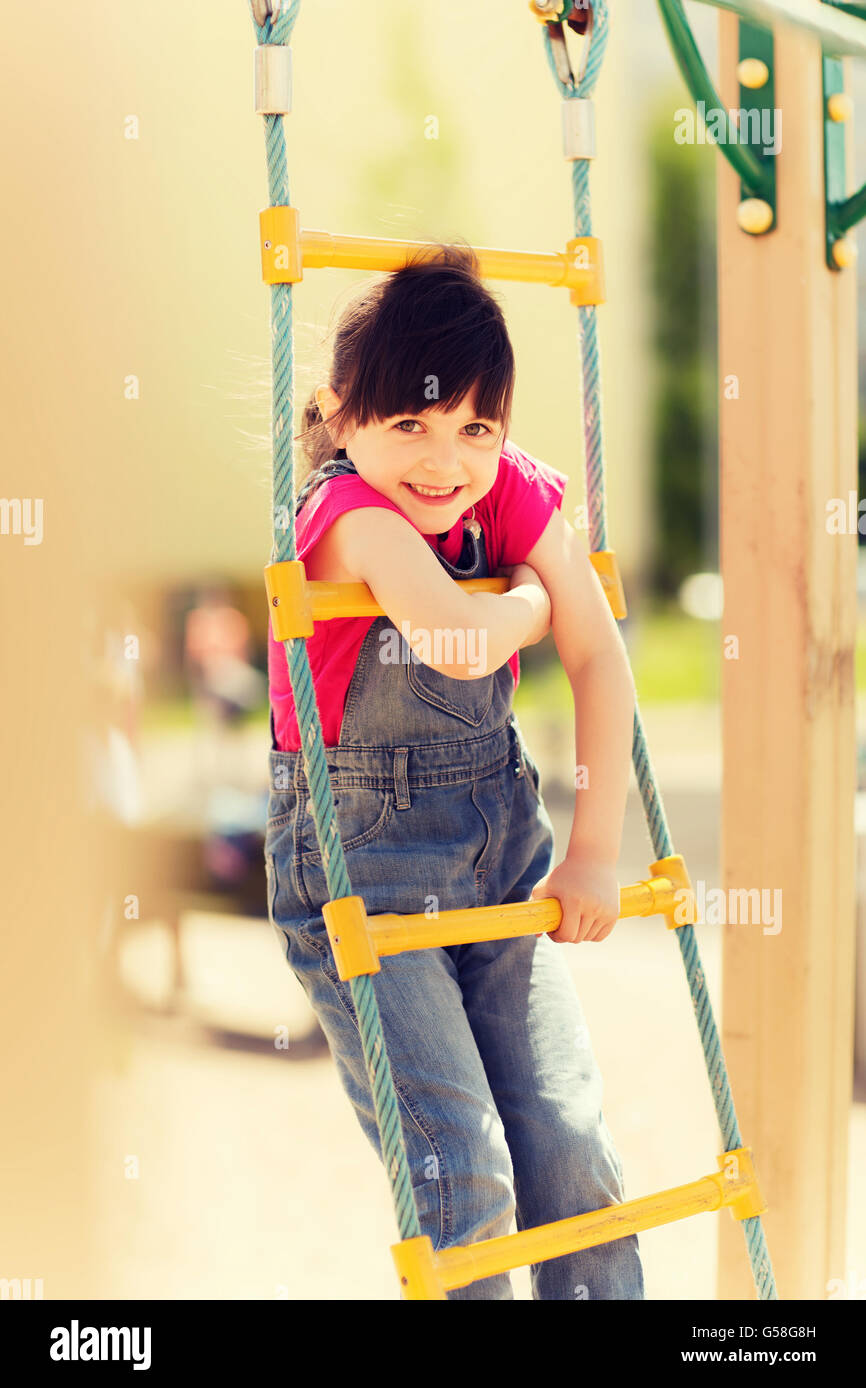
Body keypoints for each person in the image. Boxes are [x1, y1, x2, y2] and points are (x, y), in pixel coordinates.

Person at [264, 243, 643, 1300]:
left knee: (571, 1148)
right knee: (462, 1171)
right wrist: (527, 595)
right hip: (359, 873)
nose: (445, 460)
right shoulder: (346, 519)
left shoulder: (503, 488)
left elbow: (598, 657)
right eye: (410, 425)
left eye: (476, 427)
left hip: (496, 855)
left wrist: (596, 851)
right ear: (344, 419)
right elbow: (462, 643)